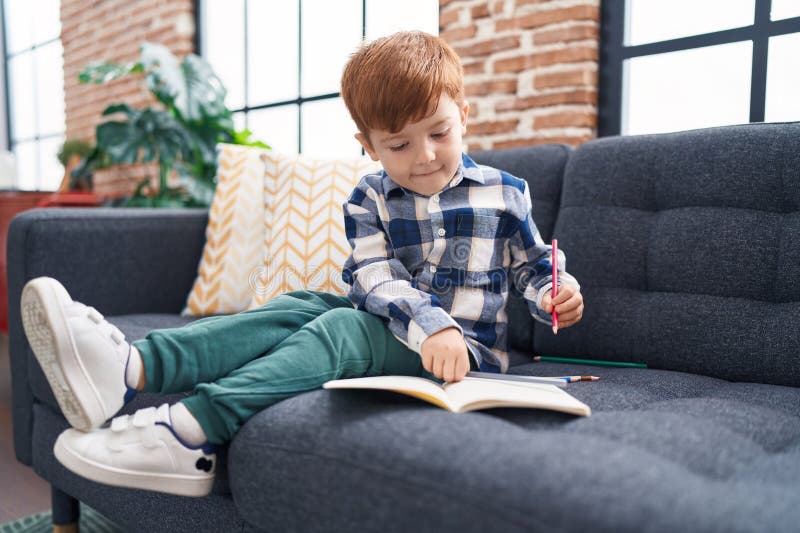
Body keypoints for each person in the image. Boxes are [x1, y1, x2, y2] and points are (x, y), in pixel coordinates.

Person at [20, 31, 583, 498]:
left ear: (463, 113)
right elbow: (369, 275)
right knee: (300, 305)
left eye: (439, 132)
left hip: (467, 354)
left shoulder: (506, 194)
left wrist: (554, 293)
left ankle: (193, 432)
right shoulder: (371, 197)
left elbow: (533, 267)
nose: (425, 156)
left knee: (341, 326)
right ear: (367, 145)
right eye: (399, 145)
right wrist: (424, 319)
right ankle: (130, 368)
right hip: (403, 325)